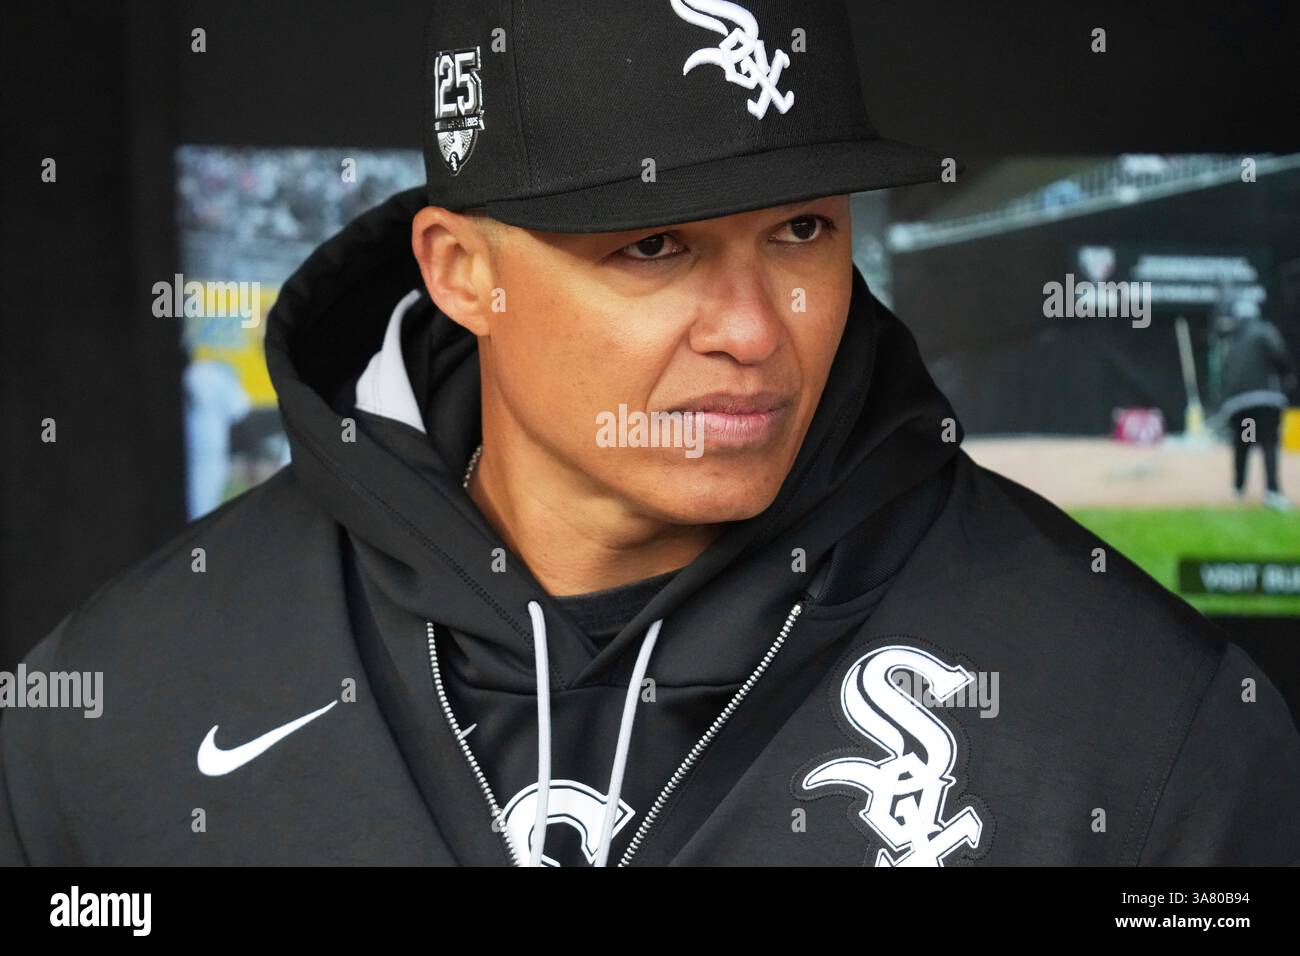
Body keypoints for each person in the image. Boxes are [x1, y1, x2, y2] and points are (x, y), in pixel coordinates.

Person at [3, 0, 1299, 868]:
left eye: (801, 230)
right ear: (463, 271)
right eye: (654, 244)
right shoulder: (110, 715)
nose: (755, 326)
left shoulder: (1152, 731)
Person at [1217, 297, 1297, 509]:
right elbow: (1279, 356)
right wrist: (1287, 378)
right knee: (1269, 443)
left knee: (1244, 443)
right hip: (1265, 401)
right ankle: (1272, 492)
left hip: (1239, 405)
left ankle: (1239, 489)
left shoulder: (1231, 339)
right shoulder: (1264, 330)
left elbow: (1224, 373)